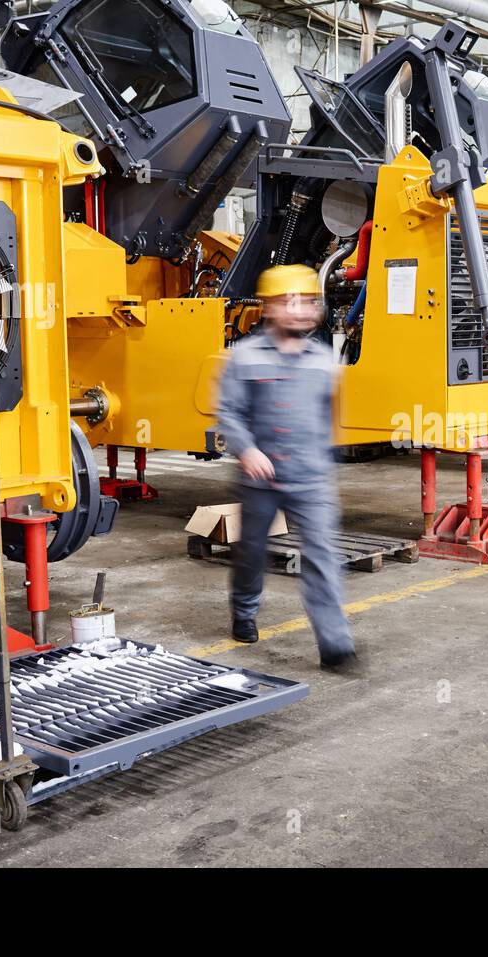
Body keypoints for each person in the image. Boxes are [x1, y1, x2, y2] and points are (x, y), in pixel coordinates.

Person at [217, 264, 358, 671]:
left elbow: (327, 412)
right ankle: (244, 610)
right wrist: (246, 450)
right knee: (251, 553)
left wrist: (326, 458)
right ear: (269, 309)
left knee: (322, 557)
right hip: (259, 479)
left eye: (308, 302)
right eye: (289, 301)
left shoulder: (322, 358)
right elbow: (228, 411)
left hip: (311, 478)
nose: (301, 310)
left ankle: (335, 645)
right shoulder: (243, 357)